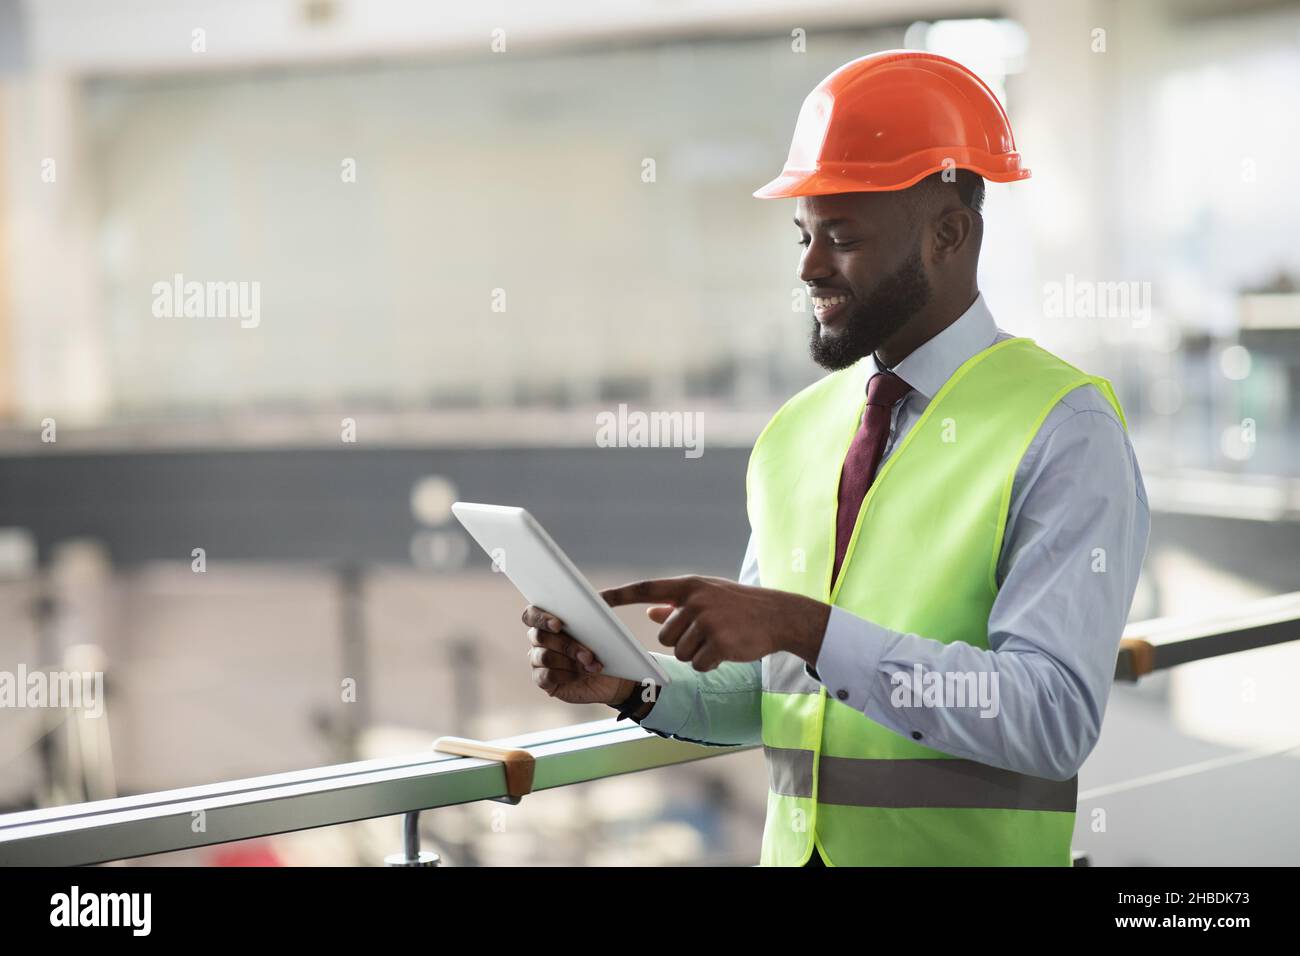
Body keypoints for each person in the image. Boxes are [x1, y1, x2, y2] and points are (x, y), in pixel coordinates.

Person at [521, 50, 1149, 866]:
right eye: (804, 234)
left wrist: (804, 627)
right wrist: (631, 686)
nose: (809, 267)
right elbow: (771, 695)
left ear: (948, 235)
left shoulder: (1064, 429)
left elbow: (1051, 715)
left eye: (841, 237)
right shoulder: (797, 434)